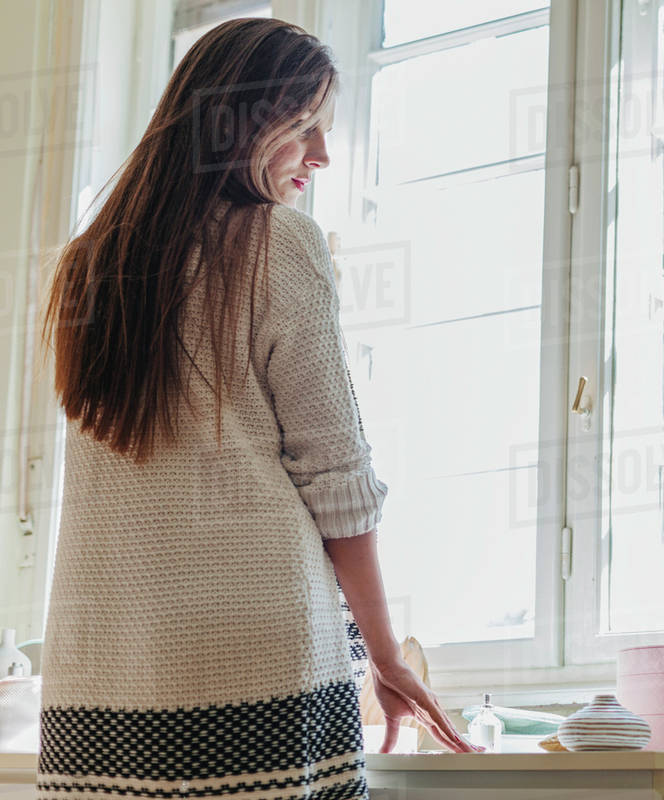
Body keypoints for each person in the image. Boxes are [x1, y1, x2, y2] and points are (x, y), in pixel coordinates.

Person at [35, 17, 481, 800]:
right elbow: (338, 479)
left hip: (97, 679)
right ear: (236, 120)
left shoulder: (86, 269)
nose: (322, 155)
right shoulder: (280, 243)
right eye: (304, 126)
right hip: (254, 662)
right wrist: (384, 654)